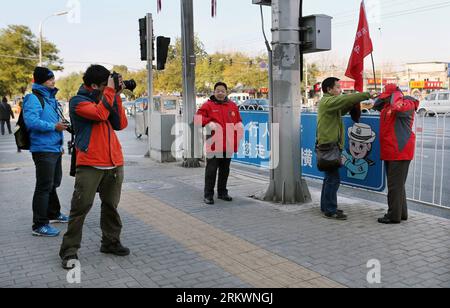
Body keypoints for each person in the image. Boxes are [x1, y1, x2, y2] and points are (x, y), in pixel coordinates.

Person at [59, 65, 129, 270]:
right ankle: (69, 251)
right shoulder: (77, 102)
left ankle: (110, 242)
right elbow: (99, 114)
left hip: (114, 162)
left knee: (110, 205)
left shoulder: (105, 97)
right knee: (80, 208)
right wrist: (109, 92)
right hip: (90, 163)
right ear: (93, 85)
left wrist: (115, 95)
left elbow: (120, 124)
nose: (107, 88)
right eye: (104, 85)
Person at [23, 67, 69, 237]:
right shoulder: (33, 98)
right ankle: (39, 225)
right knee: (43, 186)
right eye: (50, 79)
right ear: (41, 81)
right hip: (42, 149)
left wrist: (60, 145)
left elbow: (56, 122)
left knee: (53, 183)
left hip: (54, 148)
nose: (53, 81)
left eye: (53, 78)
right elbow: (31, 122)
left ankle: (54, 213)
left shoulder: (50, 99)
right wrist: (53, 127)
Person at [317, 77, 372, 220]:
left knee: (329, 178)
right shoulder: (327, 101)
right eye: (337, 87)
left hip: (330, 145)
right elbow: (345, 100)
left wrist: (353, 103)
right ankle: (330, 209)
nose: (340, 90)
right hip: (328, 146)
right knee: (333, 179)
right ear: (329, 90)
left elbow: (342, 108)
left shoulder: (330, 104)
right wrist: (366, 95)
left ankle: (326, 207)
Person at [373, 84, 419, 224]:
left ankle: (393, 216)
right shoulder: (387, 106)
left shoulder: (407, 104)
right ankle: (401, 213)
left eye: (388, 97)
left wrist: (396, 96)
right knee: (398, 185)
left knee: (394, 186)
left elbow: (399, 107)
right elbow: (376, 105)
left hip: (400, 151)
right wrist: (381, 97)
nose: (385, 100)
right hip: (390, 151)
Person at [195, 82, 244, 205]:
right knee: (211, 170)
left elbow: (238, 120)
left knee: (225, 170)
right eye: (218, 90)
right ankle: (208, 195)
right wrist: (207, 122)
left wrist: (239, 128)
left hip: (228, 144)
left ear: (226, 92)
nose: (220, 93)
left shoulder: (232, 106)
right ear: (214, 92)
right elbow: (197, 118)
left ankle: (222, 192)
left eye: (222, 91)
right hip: (214, 144)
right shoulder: (208, 105)